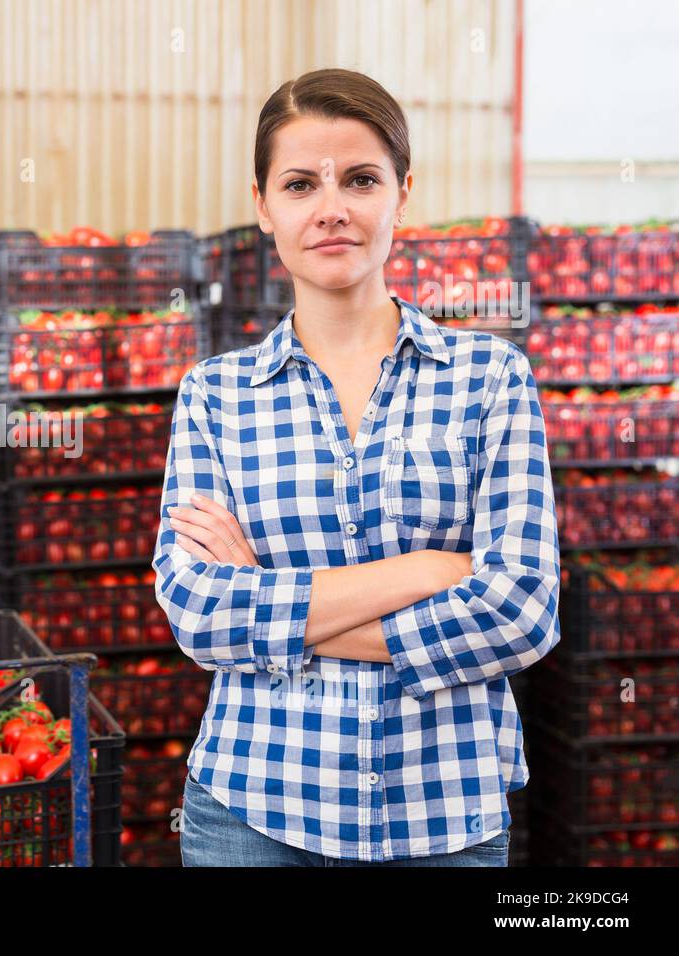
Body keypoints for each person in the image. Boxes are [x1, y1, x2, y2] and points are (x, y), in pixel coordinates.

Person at [153, 68, 560, 867]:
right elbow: (200, 617)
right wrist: (430, 569)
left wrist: (271, 612)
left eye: (361, 179)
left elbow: (521, 609)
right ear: (264, 205)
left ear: (402, 194)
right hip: (252, 810)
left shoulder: (490, 376)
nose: (332, 207)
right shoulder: (216, 394)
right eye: (301, 183)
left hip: (443, 814)